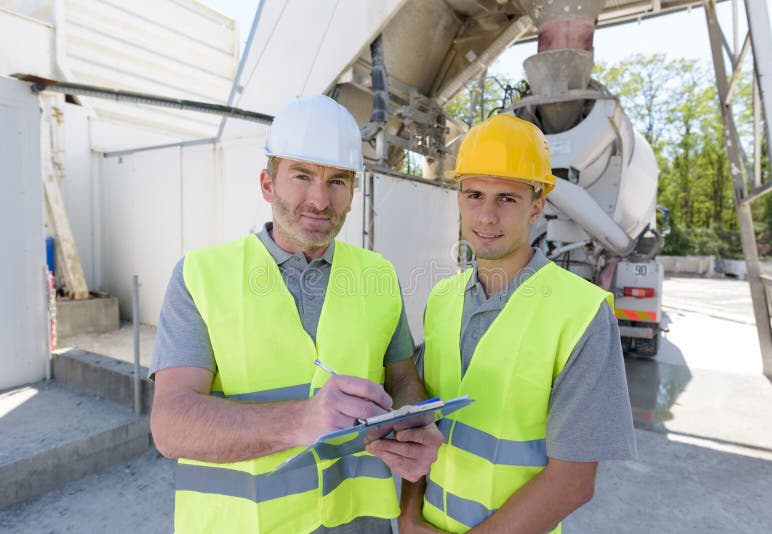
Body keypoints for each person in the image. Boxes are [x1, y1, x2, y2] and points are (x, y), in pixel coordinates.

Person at [149, 95, 443, 533]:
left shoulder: (378, 275)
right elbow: (171, 426)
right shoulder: (200, 275)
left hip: (358, 525)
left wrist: (415, 425)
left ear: (352, 193)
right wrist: (300, 420)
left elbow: (401, 380)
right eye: (301, 176)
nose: (319, 200)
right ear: (268, 185)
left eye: (338, 181)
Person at [391, 114, 637, 533]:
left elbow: (572, 483)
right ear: (459, 199)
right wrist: (409, 516)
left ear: (536, 207)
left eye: (506, 198)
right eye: (474, 195)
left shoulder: (581, 313)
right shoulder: (442, 300)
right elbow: (422, 421)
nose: (486, 216)